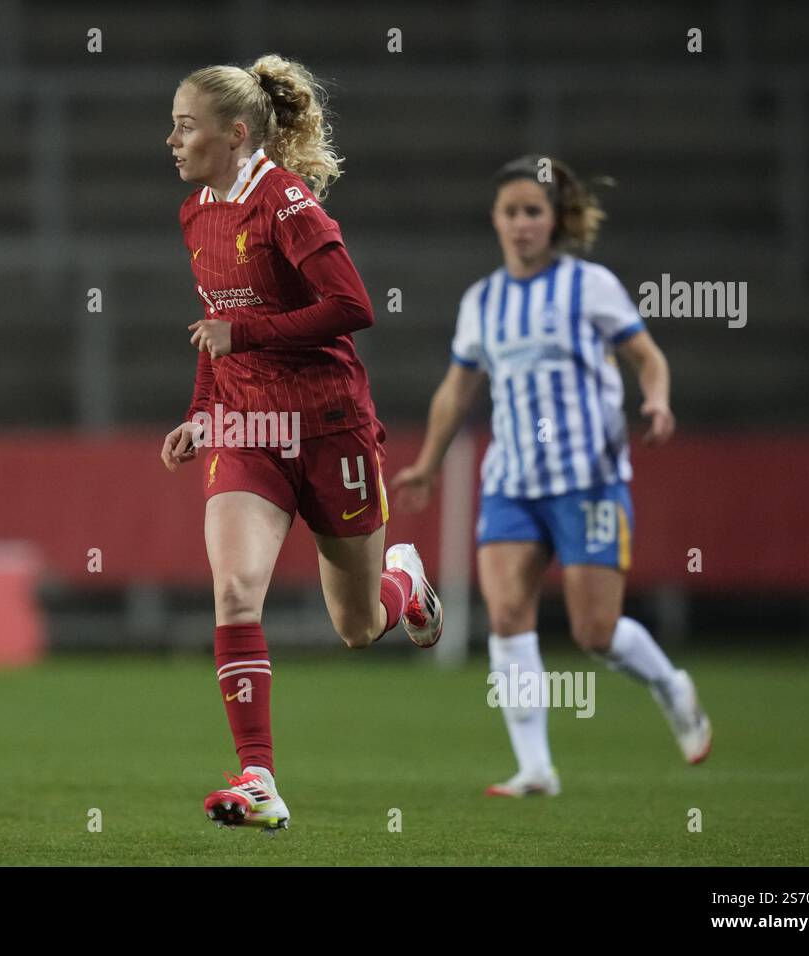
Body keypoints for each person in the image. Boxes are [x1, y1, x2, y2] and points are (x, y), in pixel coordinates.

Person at [160, 54, 443, 830]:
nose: (172, 139)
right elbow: (214, 333)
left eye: (186, 125)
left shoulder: (286, 205)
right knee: (234, 589)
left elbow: (353, 305)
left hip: (329, 429)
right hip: (249, 430)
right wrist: (201, 415)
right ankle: (259, 779)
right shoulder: (195, 213)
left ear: (235, 134)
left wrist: (241, 330)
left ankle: (404, 586)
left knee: (356, 627)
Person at [392, 155, 712, 797]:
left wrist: (657, 399)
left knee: (595, 633)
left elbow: (646, 357)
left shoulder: (589, 286)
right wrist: (427, 463)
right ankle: (536, 766)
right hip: (511, 481)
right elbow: (456, 391)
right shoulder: (481, 302)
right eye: (510, 213)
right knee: (508, 613)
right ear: (495, 220)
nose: (521, 224)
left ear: (554, 219)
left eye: (532, 212)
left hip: (587, 478)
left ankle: (671, 686)